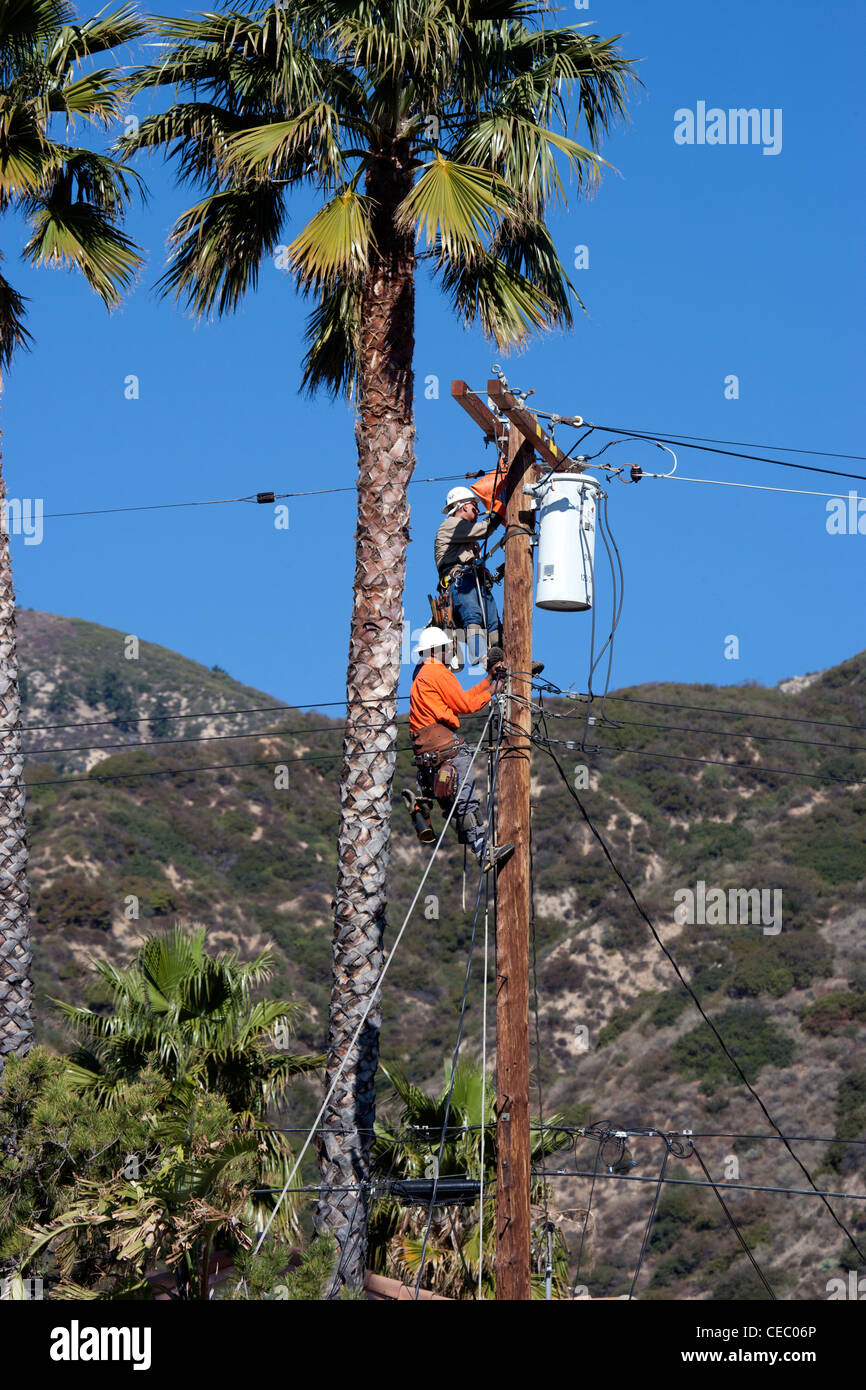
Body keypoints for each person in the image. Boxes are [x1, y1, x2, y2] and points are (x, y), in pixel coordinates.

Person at [403, 626, 514, 873]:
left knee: (451, 801)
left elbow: (460, 697)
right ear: (437, 650)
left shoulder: (421, 675)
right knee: (465, 800)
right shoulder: (437, 672)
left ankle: (423, 808)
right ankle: (484, 852)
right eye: (447, 648)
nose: (450, 652)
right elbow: (465, 704)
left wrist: (488, 681)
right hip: (446, 750)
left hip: (429, 756)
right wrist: (496, 689)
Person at [434, 486, 502, 668]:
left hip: (474, 581)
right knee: (473, 615)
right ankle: (481, 655)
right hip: (460, 582)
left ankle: (501, 659)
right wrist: (500, 512)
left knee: (493, 621)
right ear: (463, 506)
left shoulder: (466, 534)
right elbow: (485, 529)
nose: (478, 511)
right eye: (474, 507)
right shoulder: (450, 525)